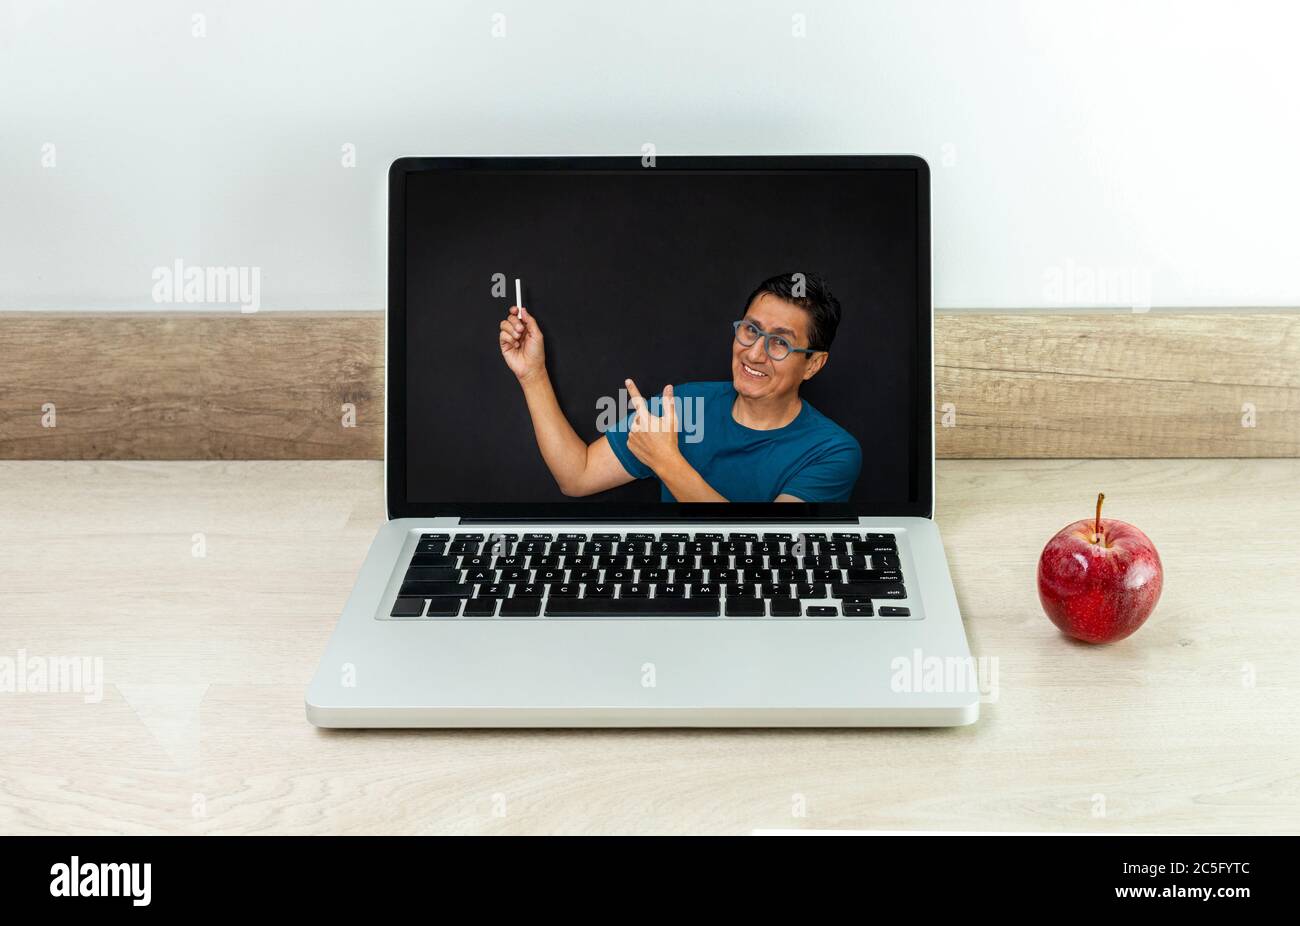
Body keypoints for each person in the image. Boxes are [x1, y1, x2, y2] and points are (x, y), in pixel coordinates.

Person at [497, 272, 862, 502]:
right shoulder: (684, 406)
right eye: (750, 330)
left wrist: (665, 459)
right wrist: (533, 374)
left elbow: (765, 554)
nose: (754, 353)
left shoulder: (832, 452)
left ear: (813, 363)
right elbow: (576, 476)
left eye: (780, 342)